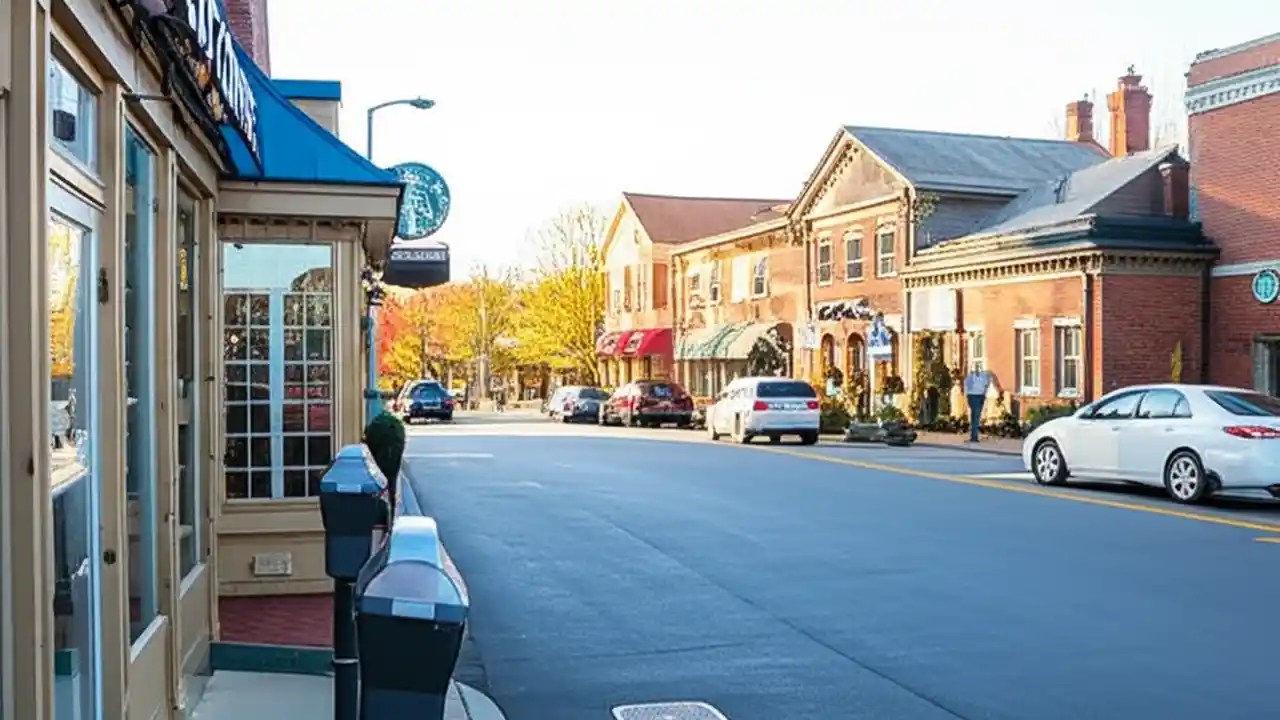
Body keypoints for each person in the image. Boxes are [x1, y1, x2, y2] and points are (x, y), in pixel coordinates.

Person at [963, 367, 991, 442]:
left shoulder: (982, 376)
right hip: (975, 396)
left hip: (976, 396)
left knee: (975, 416)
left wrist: (984, 394)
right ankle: (974, 436)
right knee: (975, 416)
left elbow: (966, 386)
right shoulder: (973, 377)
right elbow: (966, 386)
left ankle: (974, 436)